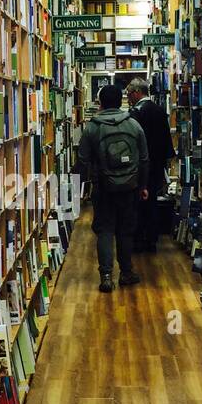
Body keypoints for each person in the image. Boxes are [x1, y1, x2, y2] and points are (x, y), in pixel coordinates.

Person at [78, 83, 148, 293]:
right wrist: (143, 185)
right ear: (121, 101)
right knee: (125, 232)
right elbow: (144, 159)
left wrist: (81, 188)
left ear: (100, 103)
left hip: (103, 188)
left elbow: (83, 159)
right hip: (130, 187)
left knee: (105, 231)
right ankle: (126, 272)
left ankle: (106, 276)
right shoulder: (134, 125)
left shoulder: (93, 127)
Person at [127, 78, 175, 252]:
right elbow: (166, 140)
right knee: (152, 199)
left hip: (140, 164)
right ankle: (152, 239)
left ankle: (139, 238)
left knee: (138, 202)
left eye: (129, 94)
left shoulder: (136, 112)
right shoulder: (160, 110)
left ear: (136, 92)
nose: (129, 98)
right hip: (157, 164)